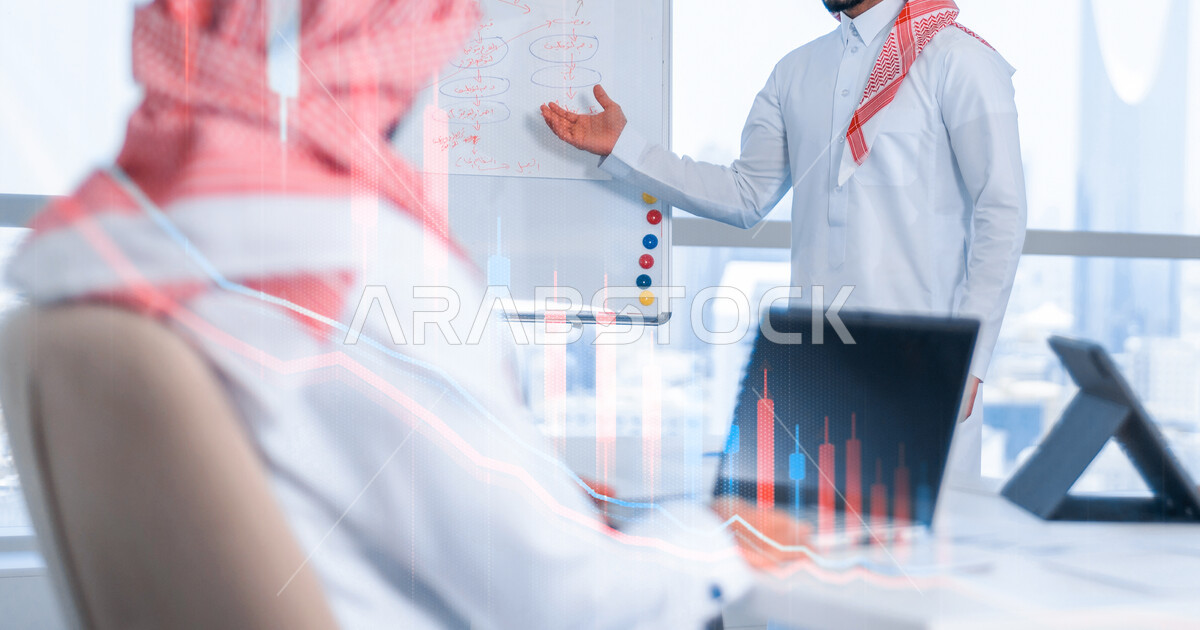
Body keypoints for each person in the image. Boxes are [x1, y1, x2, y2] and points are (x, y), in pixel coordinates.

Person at [6, 0, 814, 627]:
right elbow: (573, 602)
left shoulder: (117, 250)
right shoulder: (349, 263)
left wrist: (530, 490)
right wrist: (721, 539)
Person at [542, 0, 1027, 477]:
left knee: (929, 529)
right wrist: (625, 147)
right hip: (817, 370)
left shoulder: (959, 61)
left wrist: (970, 360)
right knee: (808, 526)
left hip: (925, 367)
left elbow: (1001, 211)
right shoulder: (796, 71)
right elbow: (744, 194)